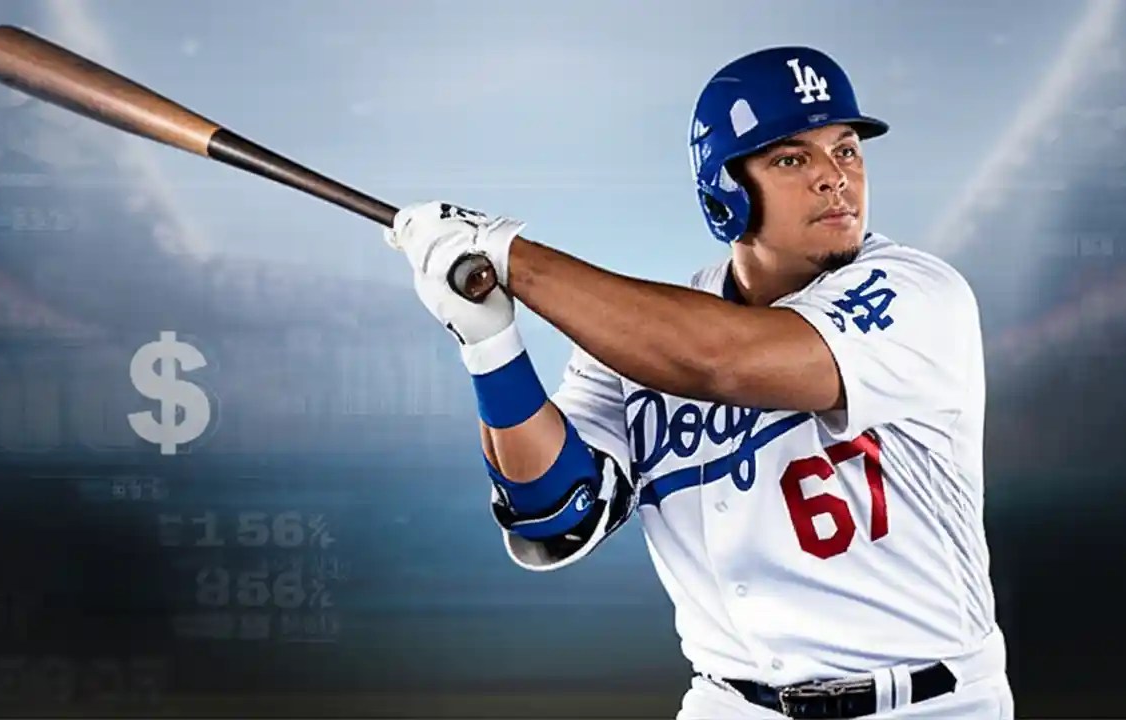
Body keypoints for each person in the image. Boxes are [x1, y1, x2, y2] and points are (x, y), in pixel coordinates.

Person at [385, 45, 1013, 720]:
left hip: (927, 702)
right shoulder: (639, 340)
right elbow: (556, 510)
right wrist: (490, 346)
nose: (836, 177)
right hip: (730, 703)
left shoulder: (920, 295)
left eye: (848, 148)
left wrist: (511, 255)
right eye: (792, 158)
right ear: (727, 190)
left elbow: (723, 358)